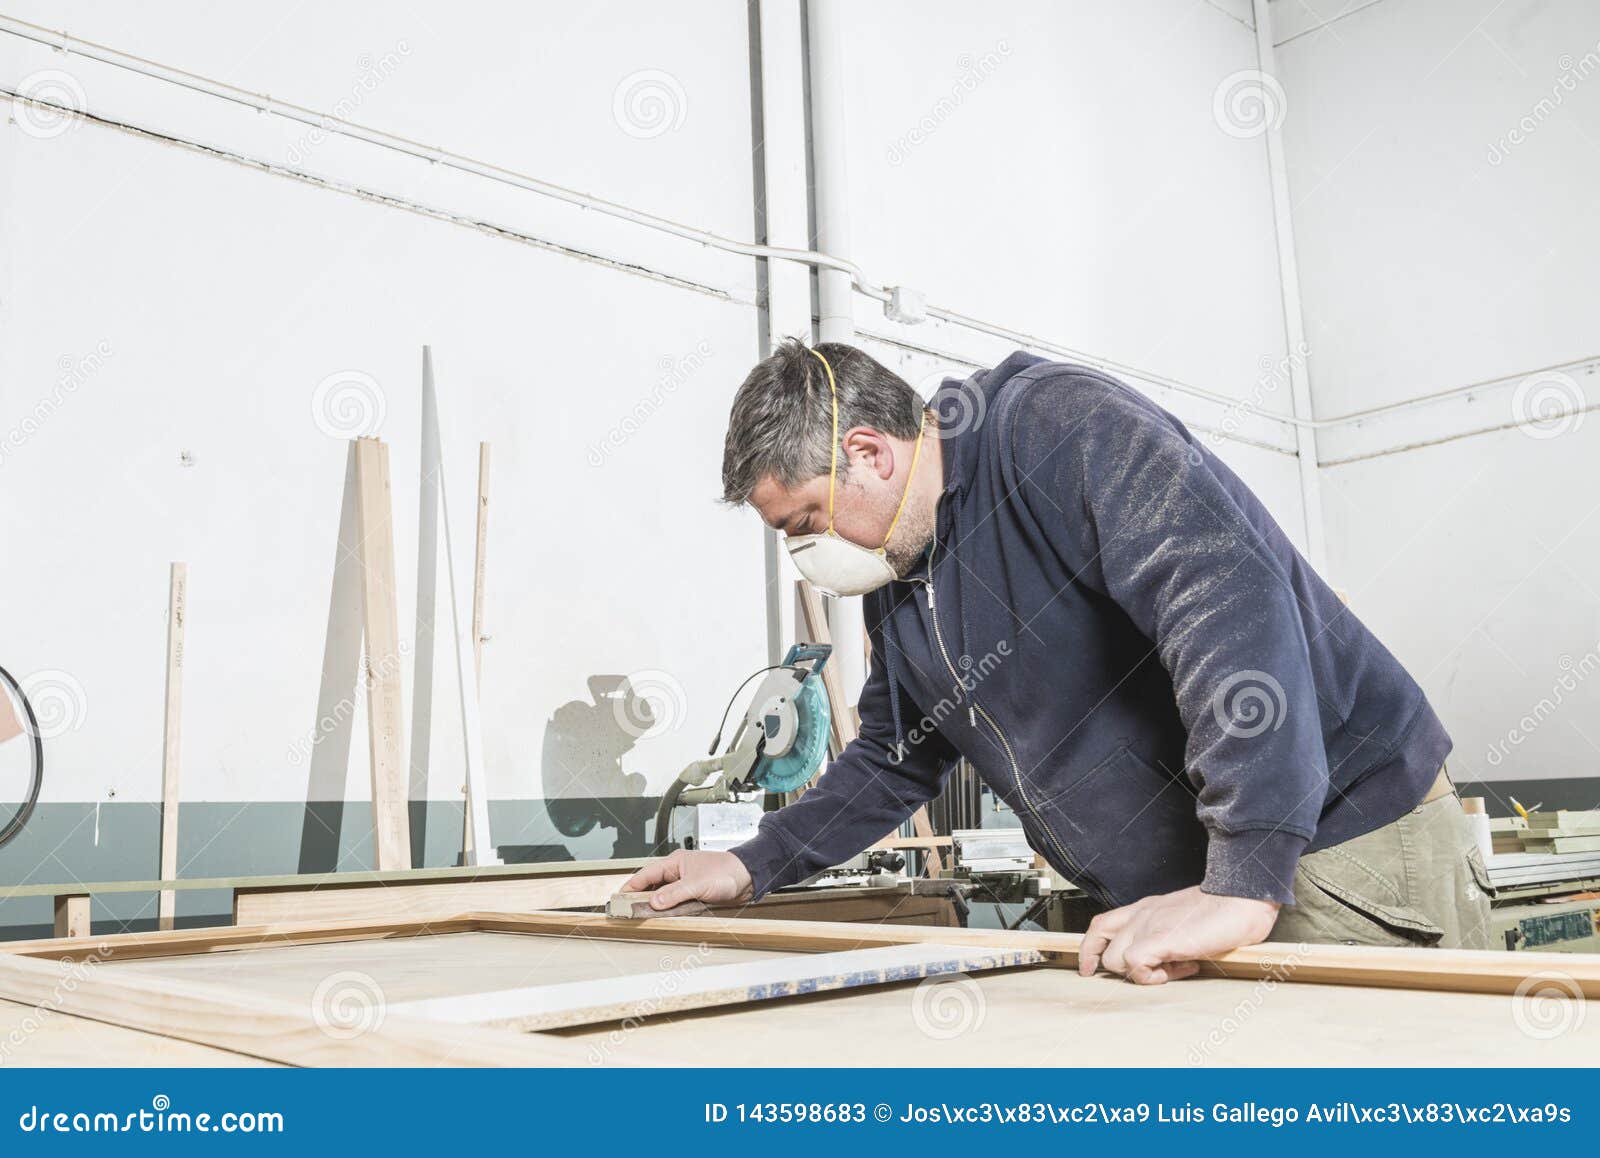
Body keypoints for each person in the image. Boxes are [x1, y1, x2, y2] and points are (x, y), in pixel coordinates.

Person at [623, 340, 1492, 983]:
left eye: (804, 523)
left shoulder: (1054, 427)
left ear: (867, 453)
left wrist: (1246, 873)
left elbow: (1225, 603)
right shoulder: (903, 571)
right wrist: (754, 861)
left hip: (1339, 845)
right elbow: (897, 751)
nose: (808, 556)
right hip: (1201, 883)